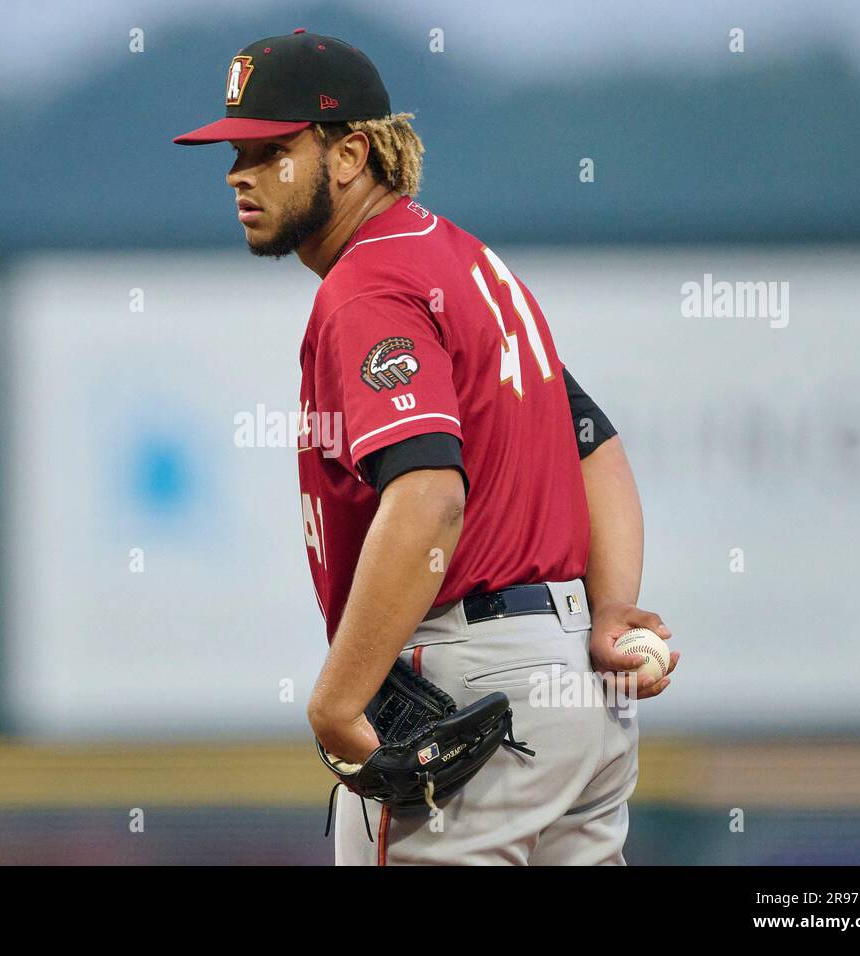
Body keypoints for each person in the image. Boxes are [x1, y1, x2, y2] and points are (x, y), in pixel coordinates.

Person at [174, 29, 678, 865]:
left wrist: (338, 701)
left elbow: (430, 495)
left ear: (349, 154)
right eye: (234, 152)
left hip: (468, 685)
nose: (238, 173)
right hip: (578, 700)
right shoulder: (473, 264)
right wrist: (610, 608)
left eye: (269, 150)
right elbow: (595, 446)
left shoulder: (368, 282)